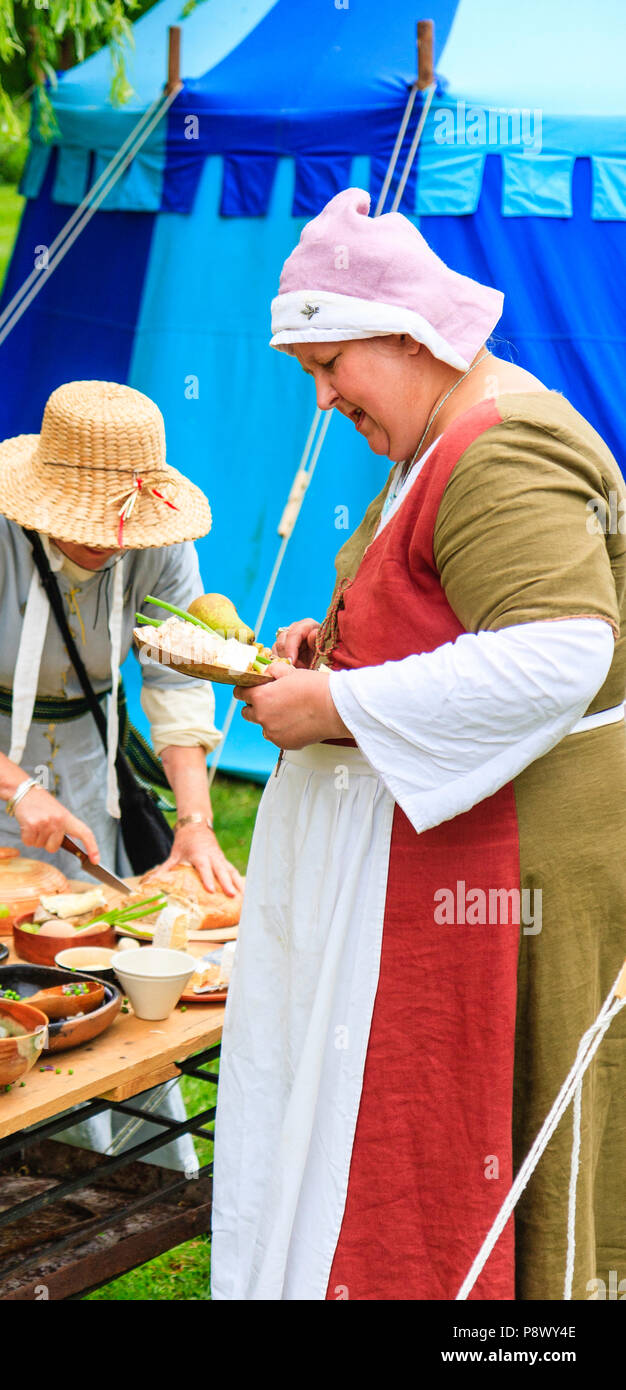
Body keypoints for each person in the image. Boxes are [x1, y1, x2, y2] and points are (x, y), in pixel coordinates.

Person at [211, 188, 626, 1300]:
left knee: (503, 1133)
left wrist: (334, 709)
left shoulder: (504, 448)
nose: (321, 395)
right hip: (469, 849)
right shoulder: (437, 434)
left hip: (518, 870)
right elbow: (442, 614)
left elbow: (557, 653)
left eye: (330, 364)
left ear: (408, 338)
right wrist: (331, 647)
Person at [0, 378, 240, 1167]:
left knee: (83, 956)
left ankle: (101, 1166)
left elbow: (177, 677)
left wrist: (194, 821)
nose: (106, 542)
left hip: (86, 754)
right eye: (87, 526)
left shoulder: (158, 538)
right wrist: (18, 788)